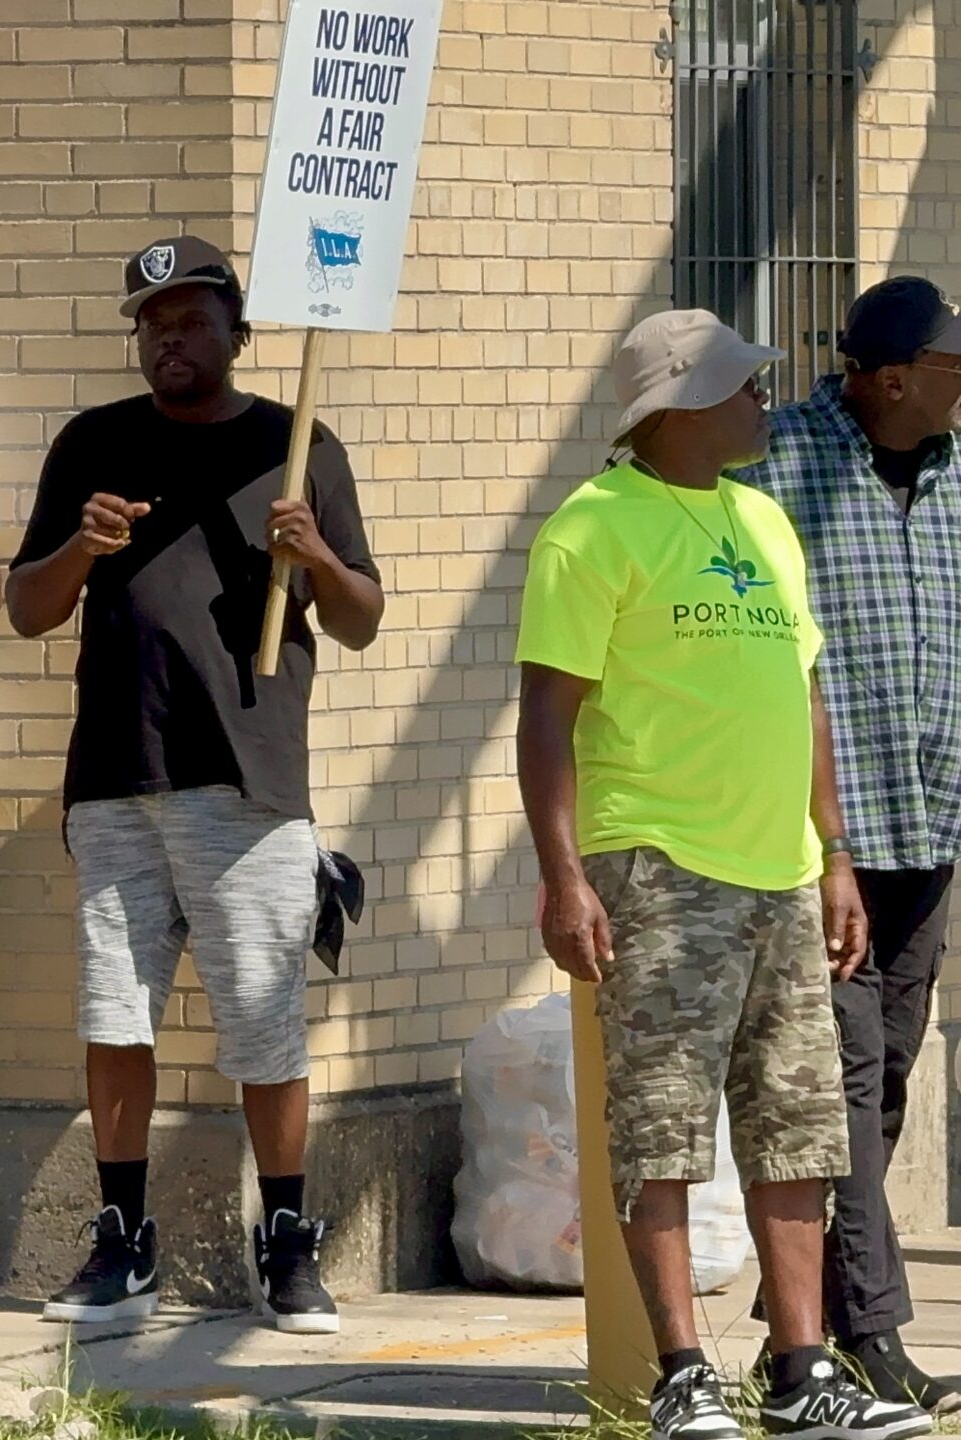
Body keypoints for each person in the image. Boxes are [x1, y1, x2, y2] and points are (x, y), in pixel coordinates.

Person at [518, 308, 928, 1440]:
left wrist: (833, 854)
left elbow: (803, 696)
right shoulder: (591, 529)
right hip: (656, 865)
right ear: (680, 405)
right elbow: (544, 716)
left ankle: (800, 1371)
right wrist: (564, 876)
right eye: (743, 388)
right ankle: (682, 1375)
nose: (763, 403)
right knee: (660, 1127)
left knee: (797, 1130)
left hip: (783, 876)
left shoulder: (763, 521)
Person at [5, 236, 382, 1335]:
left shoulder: (293, 443)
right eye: (152, 322)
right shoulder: (93, 444)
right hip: (117, 773)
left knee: (264, 1025)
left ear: (236, 329)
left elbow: (361, 621)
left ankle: (286, 1239)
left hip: (247, 779)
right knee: (114, 1016)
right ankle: (122, 1242)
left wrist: (313, 557)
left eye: (191, 317)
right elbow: (25, 609)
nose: (171, 337)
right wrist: (80, 545)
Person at [736, 278, 961, 1414]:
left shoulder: (960, 475)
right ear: (887, 379)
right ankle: (865, 1334)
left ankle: (802, 1332)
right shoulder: (773, 465)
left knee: (880, 1091)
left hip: (930, 825)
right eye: (948, 366)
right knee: (846, 1075)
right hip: (819, 836)